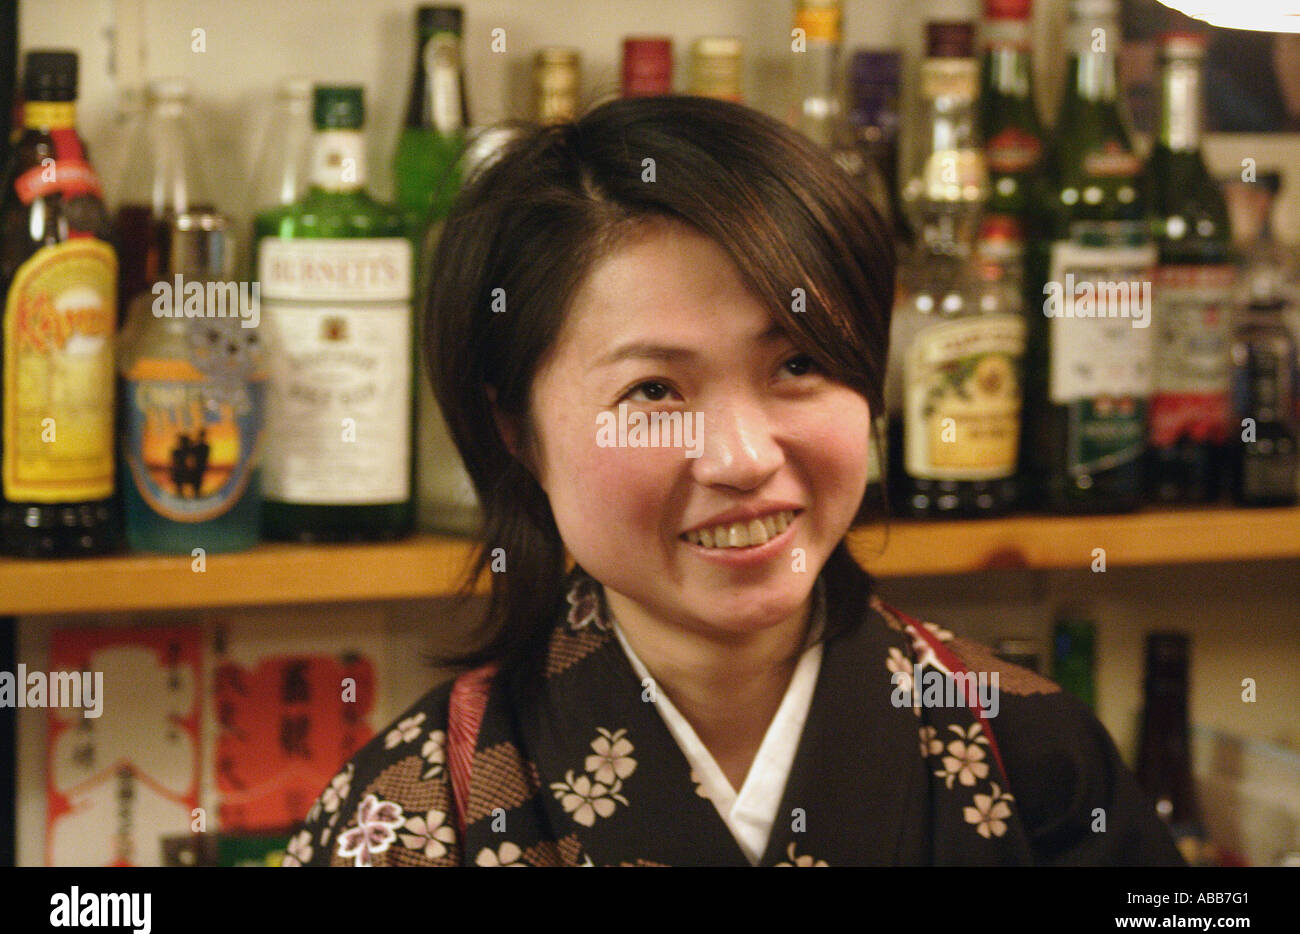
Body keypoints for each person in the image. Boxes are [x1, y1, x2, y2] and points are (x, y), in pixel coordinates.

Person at [285, 95, 1183, 867]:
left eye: (797, 365)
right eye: (653, 390)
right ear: (515, 430)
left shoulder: (1034, 760)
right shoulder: (410, 818)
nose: (743, 457)